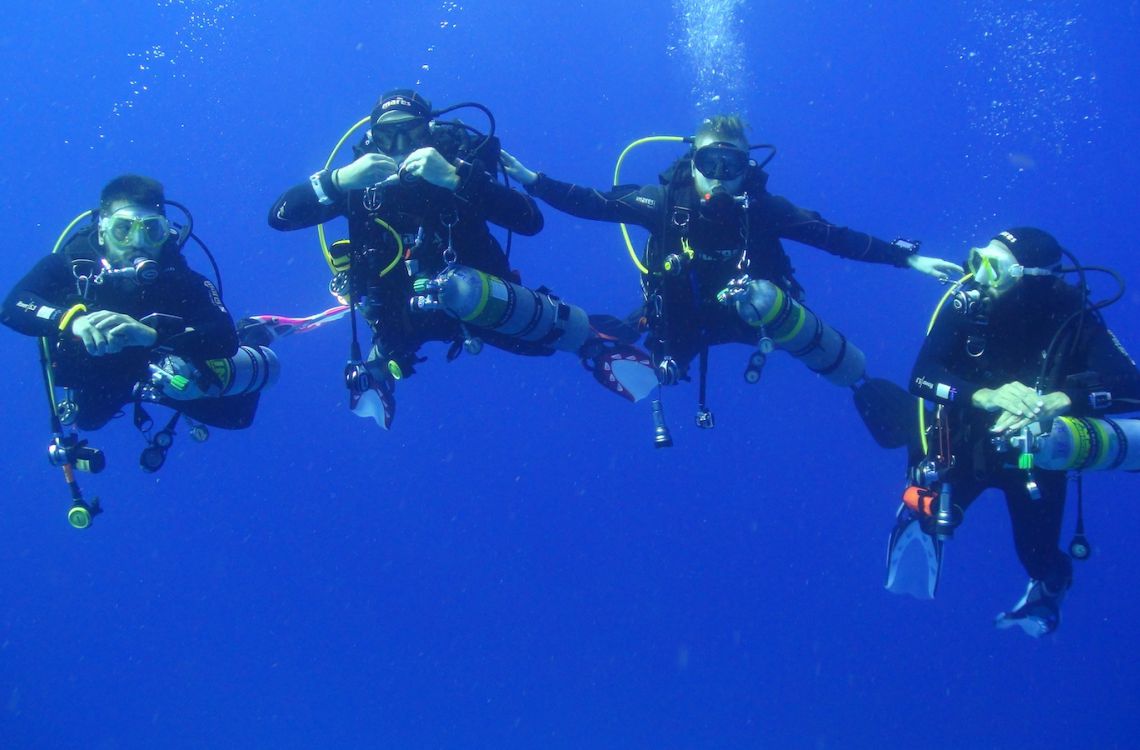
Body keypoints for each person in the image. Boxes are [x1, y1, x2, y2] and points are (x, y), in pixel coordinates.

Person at [502, 115, 961, 443]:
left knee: (792, 326)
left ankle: (860, 382)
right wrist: (531, 179)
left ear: (748, 170)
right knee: (657, 359)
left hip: (754, 317)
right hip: (679, 317)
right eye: (710, 163)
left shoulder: (765, 210)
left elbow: (833, 237)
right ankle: (606, 345)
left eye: (731, 166)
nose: (719, 177)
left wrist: (908, 260)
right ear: (693, 160)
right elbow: (594, 203)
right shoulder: (661, 202)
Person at [268, 89, 655, 429]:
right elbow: (279, 217)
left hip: (478, 298)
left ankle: (593, 341)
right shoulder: (358, 182)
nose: (401, 144)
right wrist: (337, 181)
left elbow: (529, 221)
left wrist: (456, 178)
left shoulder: (457, 165)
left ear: (430, 133)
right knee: (391, 346)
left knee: (537, 343)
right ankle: (379, 370)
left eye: (413, 132)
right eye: (389, 135)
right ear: (373, 138)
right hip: (399, 310)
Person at [885, 227, 1140, 637]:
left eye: (993, 267)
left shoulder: (1072, 314)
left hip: (1036, 454)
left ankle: (1047, 588)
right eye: (977, 260)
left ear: (1031, 277)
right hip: (965, 443)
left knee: (1038, 557)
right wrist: (983, 395)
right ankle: (918, 515)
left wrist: (1065, 398)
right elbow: (922, 378)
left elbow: (1131, 385)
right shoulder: (966, 302)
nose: (977, 275)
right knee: (939, 517)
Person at [2, 175, 278, 471]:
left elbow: (224, 338)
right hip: (105, 376)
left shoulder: (182, 281)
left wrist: (150, 336)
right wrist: (72, 321)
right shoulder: (67, 267)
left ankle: (255, 334)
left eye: (151, 230)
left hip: (160, 369)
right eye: (123, 229)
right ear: (102, 228)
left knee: (238, 417)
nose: (138, 243)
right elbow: (14, 306)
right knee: (88, 421)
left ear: (166, 231)